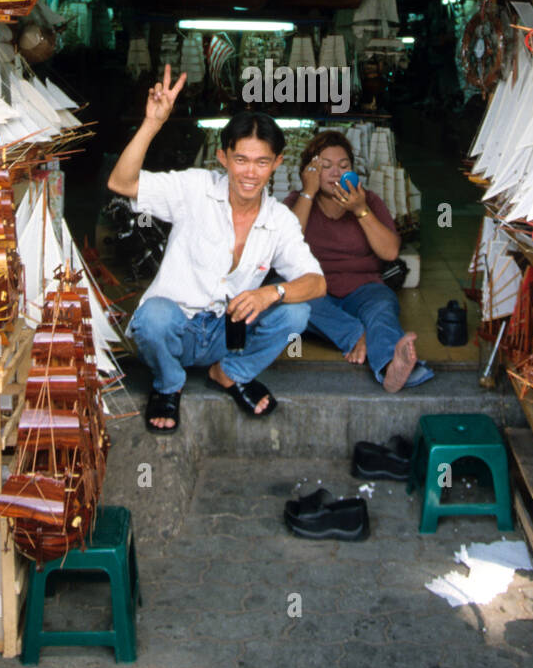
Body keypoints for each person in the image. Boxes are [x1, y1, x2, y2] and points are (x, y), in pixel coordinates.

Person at [107, 66, 326, 433]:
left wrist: (270, 293)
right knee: (152, 318)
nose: (250, 173)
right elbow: (121, 182)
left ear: (277, 164)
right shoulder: (195, 188)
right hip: (177, 329)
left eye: (261, 162)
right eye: (240, 160)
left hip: (229, 337)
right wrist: (152, 124)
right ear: (223, 158)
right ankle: (168, 383)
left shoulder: (280, 219)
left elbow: (316, 282)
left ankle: (228, 374)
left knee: (296, 313)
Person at [284, 131, 433, 393]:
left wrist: (360, 210)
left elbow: (389, 253)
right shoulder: (297, 201)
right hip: (315, 289)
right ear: (309, 170)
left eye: (343, 166)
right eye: (324, 166)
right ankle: (358, 335)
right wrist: (308, 193)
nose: (335, 173)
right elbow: (284, 249)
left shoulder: (370, 201)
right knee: (292, 300)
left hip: (363, 288)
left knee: (382, 307)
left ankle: (391, 366)